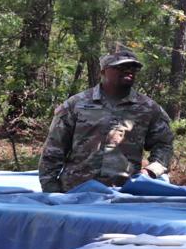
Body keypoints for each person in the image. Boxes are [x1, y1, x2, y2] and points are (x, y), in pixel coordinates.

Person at [39, 48, 175, 192]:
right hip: (75, 191)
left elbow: (164, 145)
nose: (129, 71)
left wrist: (150, 172)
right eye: (121, 67)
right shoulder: (76, 104)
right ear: (103, 71)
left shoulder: (148, 108)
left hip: (123, 193)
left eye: (133, 68)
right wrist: (50, 188)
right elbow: (54, 148)